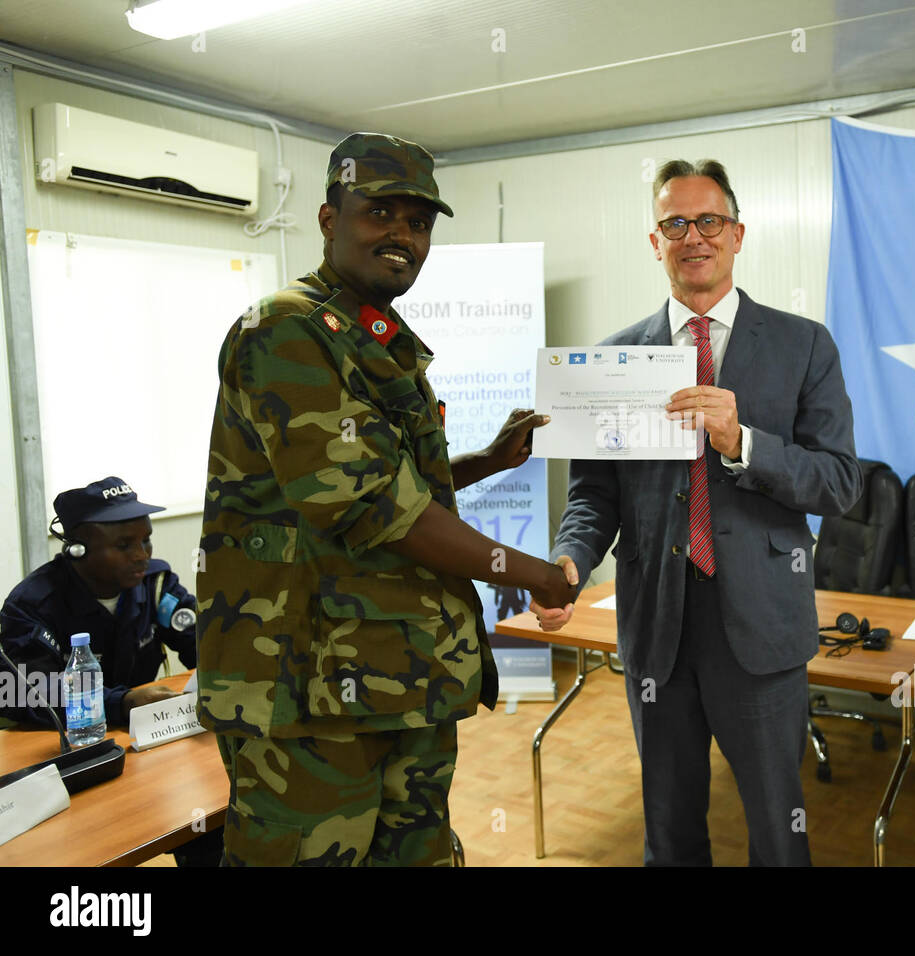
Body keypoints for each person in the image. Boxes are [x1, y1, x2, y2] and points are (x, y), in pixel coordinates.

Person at [197, 132, 577, 866]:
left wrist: (485, 461)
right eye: (380, 213)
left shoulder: (376, 335)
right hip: (305, 689)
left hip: (396, 674)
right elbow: (369, 506)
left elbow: (388, 481)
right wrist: (535, 575)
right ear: (329, 219)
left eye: (420, 221)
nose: (403, 236)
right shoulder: (286, 328)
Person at [533, 160, 862, 865]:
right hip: (656, 627)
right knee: (670, 831)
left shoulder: (805, 345)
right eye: (674, 223)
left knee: (779, 831)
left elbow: (838, 484)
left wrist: (745, 442)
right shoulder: (617, 358)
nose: (693, 236)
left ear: (737, 234)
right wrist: (570, 561)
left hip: (762, 627)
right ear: (655, 243)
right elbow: (594, 493)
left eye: (708, 220)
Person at [1, 476, 222, 866]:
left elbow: (204, 648)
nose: (141, 554)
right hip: (75, 761)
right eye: (124, 545)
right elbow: (27, 696)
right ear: (78, 549)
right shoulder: (32, 605)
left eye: (145, 540)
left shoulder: (155, 583)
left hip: (149, 751)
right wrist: (122, 701)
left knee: (209, 823)